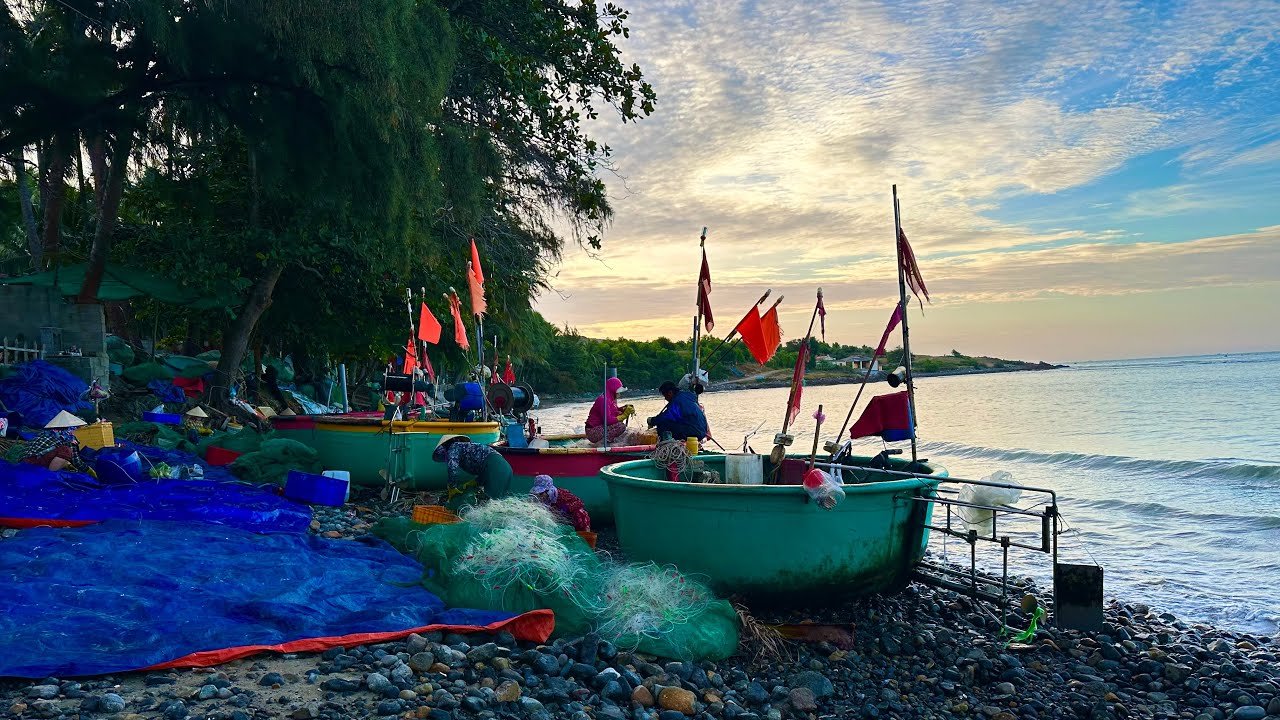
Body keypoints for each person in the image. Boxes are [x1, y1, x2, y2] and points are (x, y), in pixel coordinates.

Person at [431, 434, 513, 511]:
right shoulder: (467, 448)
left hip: (495, 468)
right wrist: (475, 482)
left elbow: (452, 467)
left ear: (445, 446)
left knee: (491, 505)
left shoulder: (454, 447)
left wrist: (452, 486)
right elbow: (484, 469)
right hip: (505, 468)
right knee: (500, 502)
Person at [585, 377, 633, 444]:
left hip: (599, 428)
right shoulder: (604, 400)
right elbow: (608, 420)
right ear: (613, 390)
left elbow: (615, 411)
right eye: (618, 392)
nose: (619, 394)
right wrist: (624, 415)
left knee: (623, 427)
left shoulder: (610, 399)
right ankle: (605, 443)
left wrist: (624, 408)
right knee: (621, 426)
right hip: (593, 431)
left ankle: (609, 440)